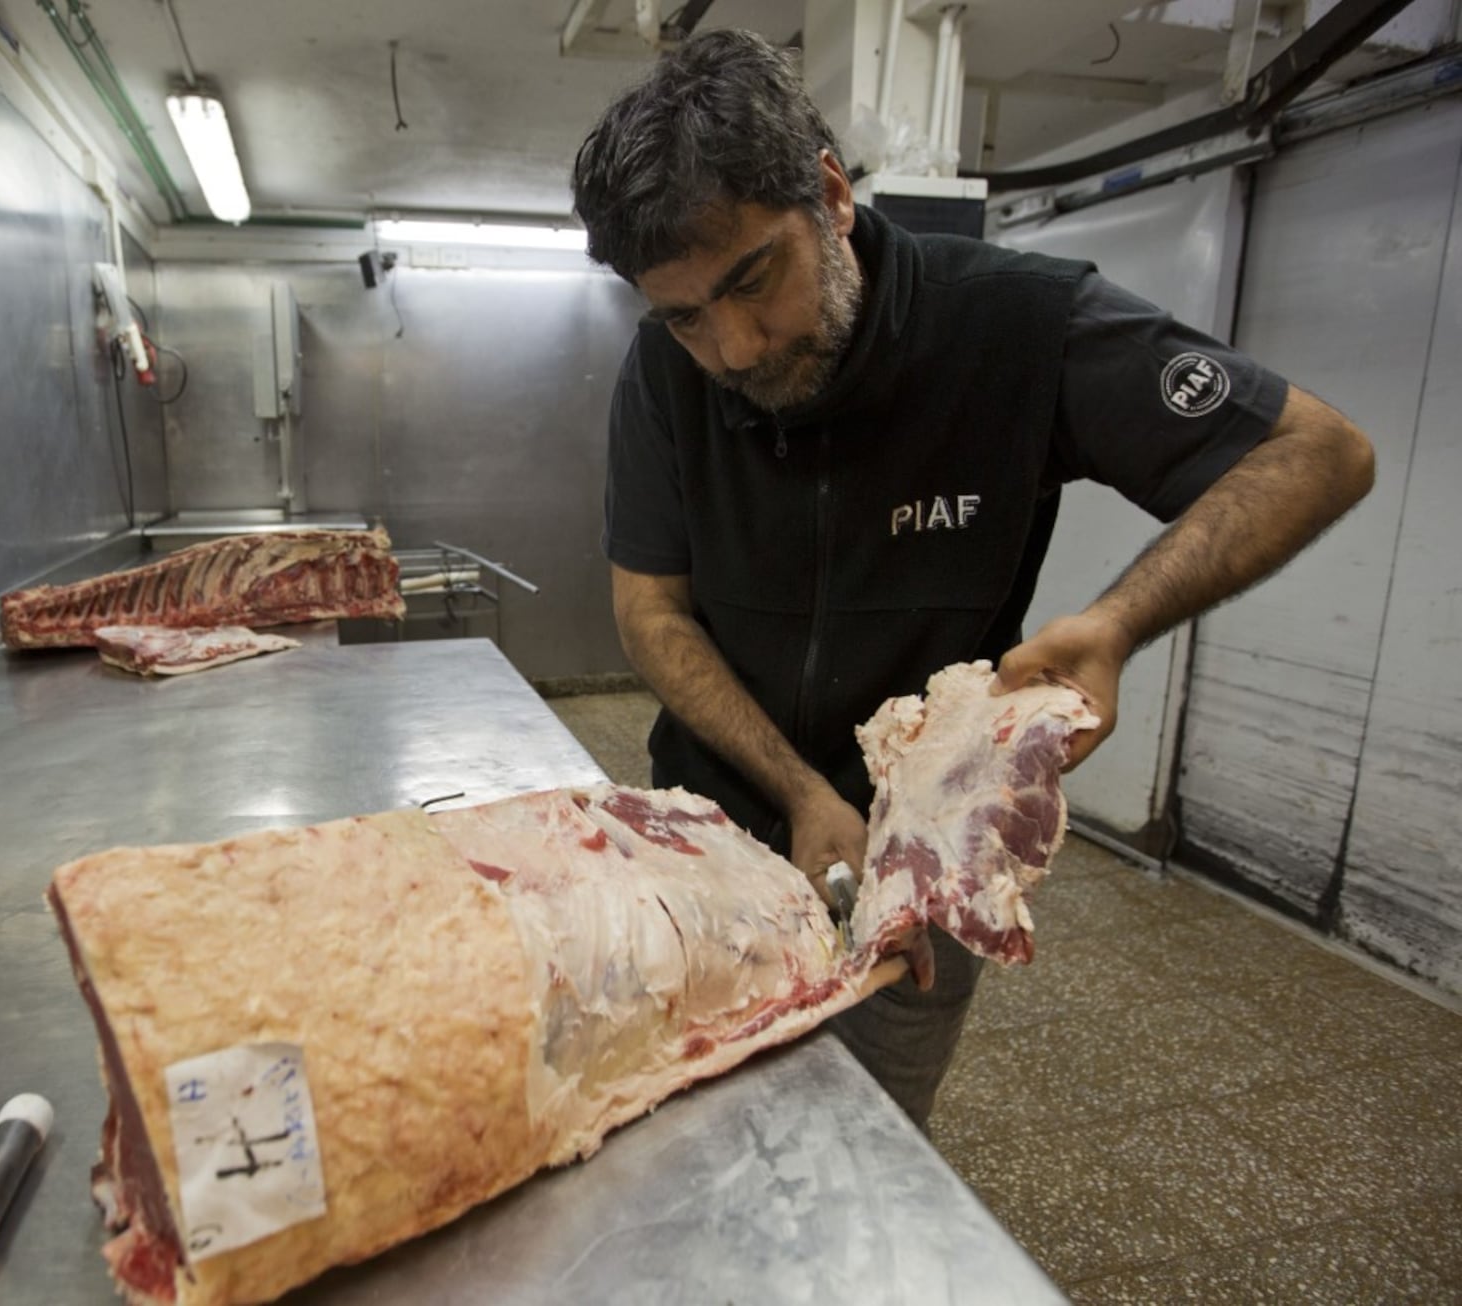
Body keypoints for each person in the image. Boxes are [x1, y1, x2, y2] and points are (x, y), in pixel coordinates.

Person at [571, 29, 1374, 1126]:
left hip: (921, 863)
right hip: (710, 841)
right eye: (683, 315)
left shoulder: (1015, 327)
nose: (737, 347)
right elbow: (649, 607)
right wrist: (803, 792)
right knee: (676, 1132)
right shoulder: (666, 376)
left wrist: (1117, 621)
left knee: (866, 1146)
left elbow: (1316, 453)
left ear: (830, 195)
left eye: (755, 280)